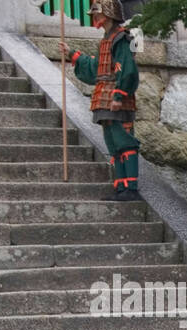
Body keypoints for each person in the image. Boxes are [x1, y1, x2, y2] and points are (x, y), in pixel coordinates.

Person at [59, 1, 139, 201]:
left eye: (97, 14)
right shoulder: (107, 39)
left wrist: (119, 95)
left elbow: (127, 68)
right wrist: (72, 54)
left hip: (116, 97)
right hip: (104, 98)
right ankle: (121, 187)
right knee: (113, 143)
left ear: (109, 14)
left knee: (124, 141)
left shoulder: (122, 38)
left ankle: (131, 187)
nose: (94, 18)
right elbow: (98, 66)